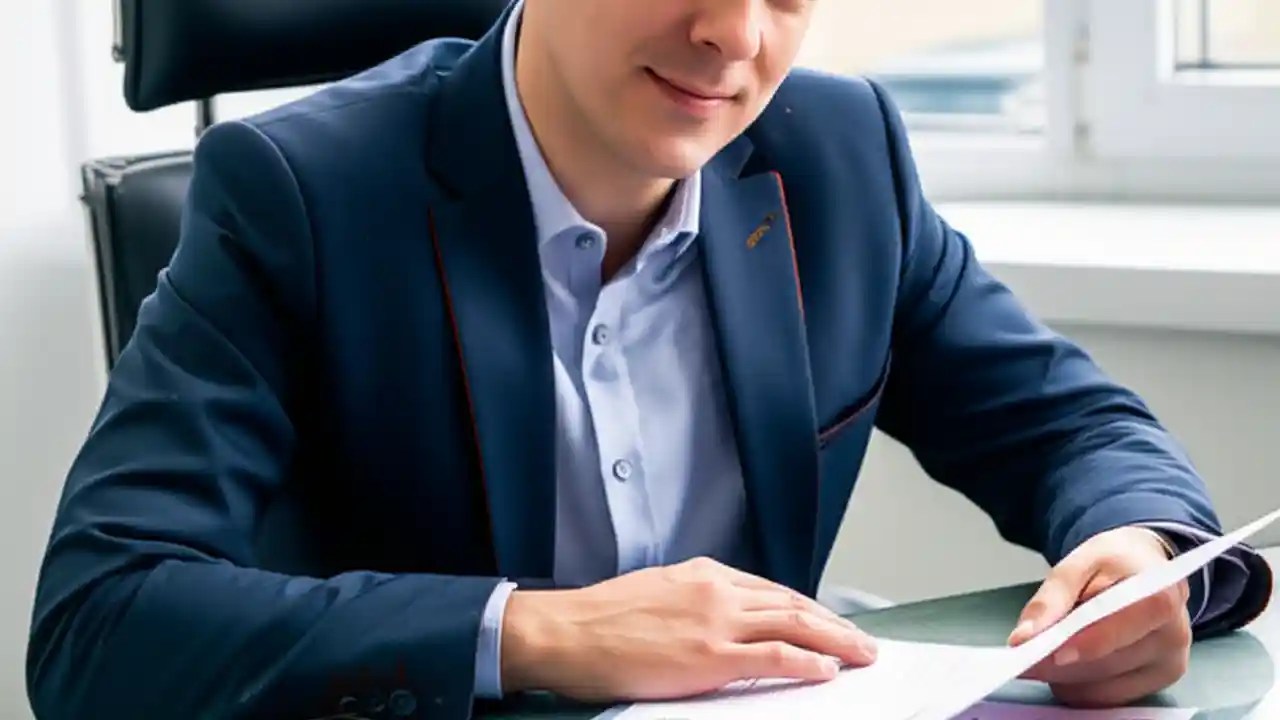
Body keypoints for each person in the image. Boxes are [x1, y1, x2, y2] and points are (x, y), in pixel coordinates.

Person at [27, 0, 1271, 718]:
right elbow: (100, 621)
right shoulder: (298, 193)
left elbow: (1072, 431)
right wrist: (533, 633)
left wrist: (1137, 557)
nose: (732, 33)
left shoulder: (835, 155)